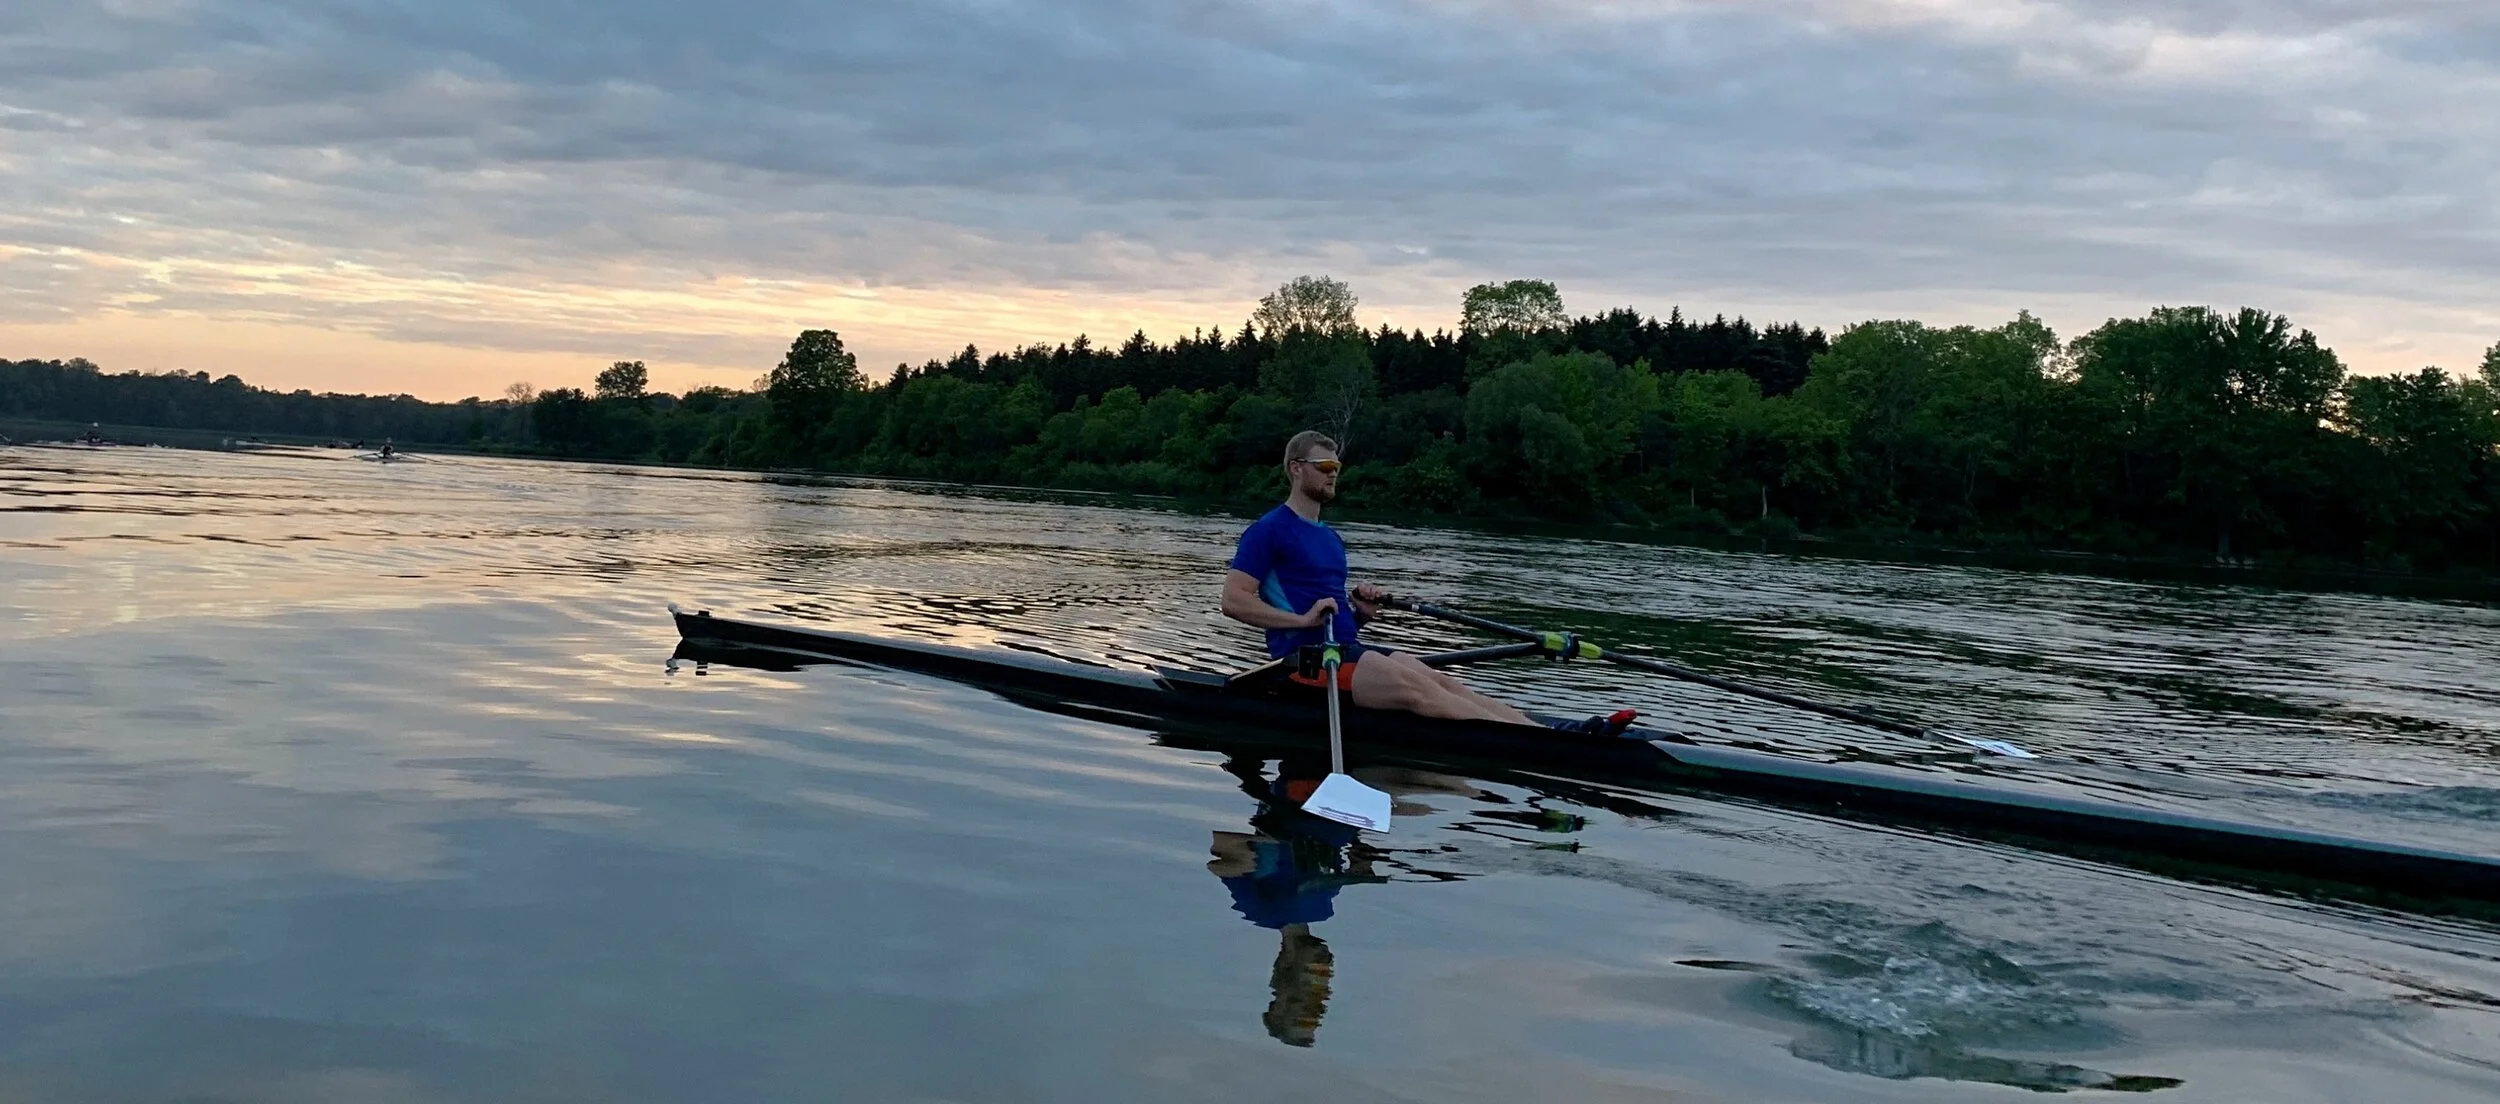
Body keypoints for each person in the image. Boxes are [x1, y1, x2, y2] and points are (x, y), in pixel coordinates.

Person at [1220, 430, 1633, 736]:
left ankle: (1553, 731)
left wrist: (1360, 614)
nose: (1333, 475)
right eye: (1325, 467)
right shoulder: (1268, 530)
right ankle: (1538, 742)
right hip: (1305, 664)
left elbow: (1329, 612)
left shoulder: (1331, 538)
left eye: (1337, 468)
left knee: (1441, 681)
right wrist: (1303, 621)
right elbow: (1233, 600)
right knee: (1418, 691)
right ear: (1296, 469)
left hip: (1344, 649)